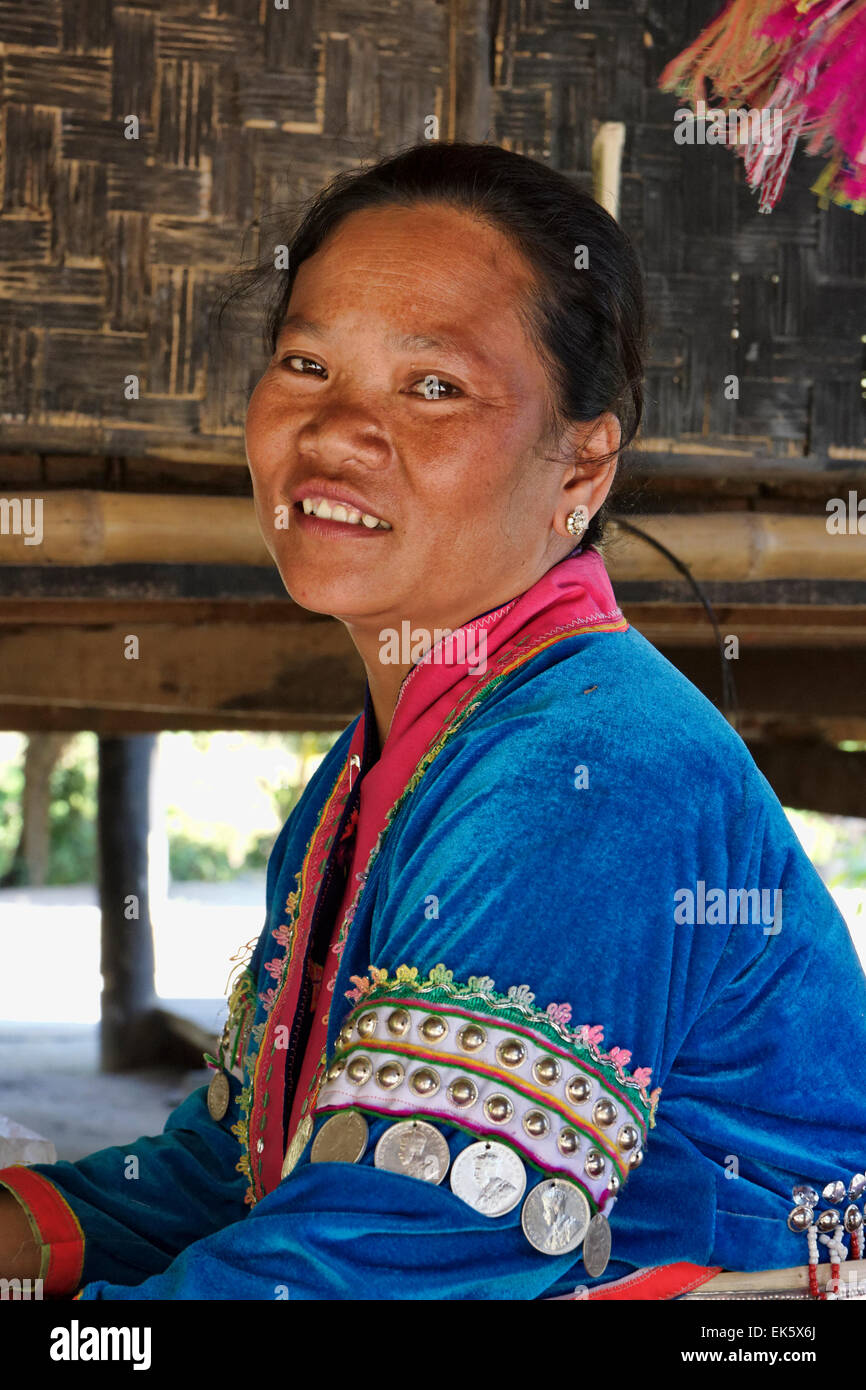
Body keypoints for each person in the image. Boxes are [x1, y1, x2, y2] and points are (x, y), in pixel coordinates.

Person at [2, 141, 865, 1301]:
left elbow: (375, 1270)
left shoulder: (586, 775)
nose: (337, 429)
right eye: (305, 363)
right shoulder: (390, 763)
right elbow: (235, 1174)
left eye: (433, 386)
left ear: (582, 463)